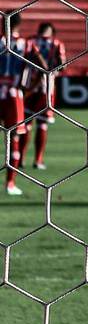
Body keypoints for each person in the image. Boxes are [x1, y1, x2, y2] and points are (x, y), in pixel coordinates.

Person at [20, 22, 65, 170]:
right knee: (39, 123)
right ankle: (35, 160)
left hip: (32, 86)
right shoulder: (56, 43)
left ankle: (25, 159)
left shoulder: (30, 41)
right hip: (43, 87)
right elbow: (63, 64)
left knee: (30, 123)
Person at [0, 13, 27, 196]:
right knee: (13, 138)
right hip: (13, 95)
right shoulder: (26, 44)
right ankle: (10, 184)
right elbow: (38, 65)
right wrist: (26, 86)